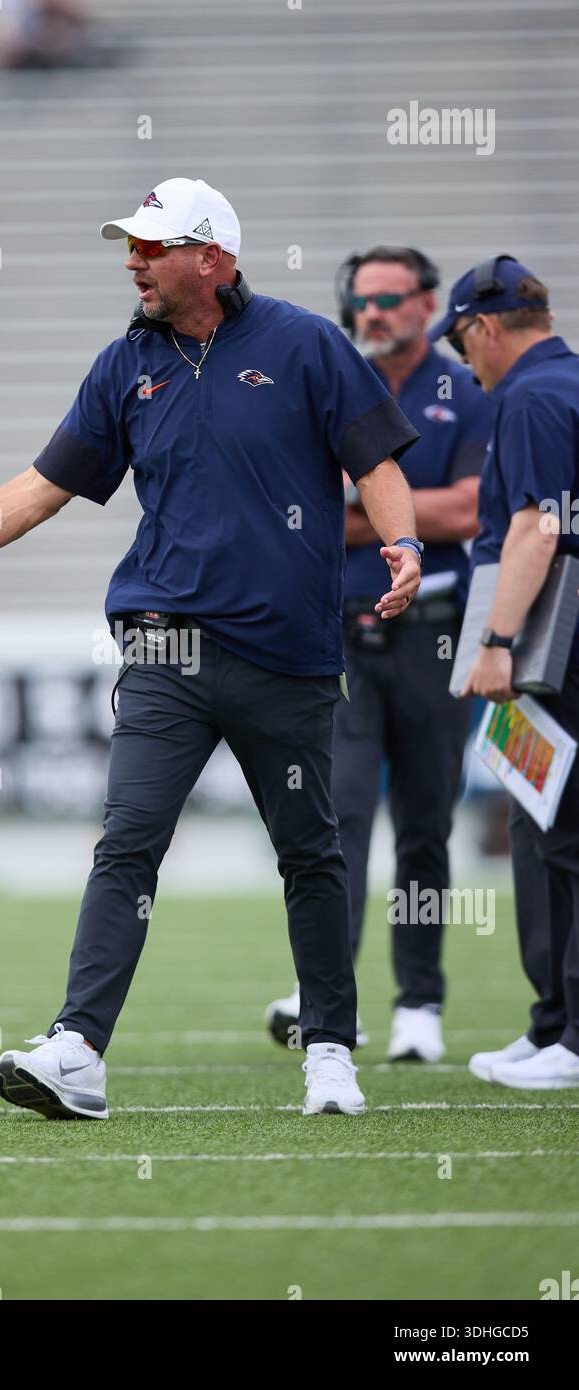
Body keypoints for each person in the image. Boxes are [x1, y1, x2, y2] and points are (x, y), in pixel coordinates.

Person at [0, 177, 422, 1117]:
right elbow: (42, 486)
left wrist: (404, 541)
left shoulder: (306, 343)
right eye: (130, 245)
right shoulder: (123, 365)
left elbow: (374, 460)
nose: (133, 259)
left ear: (212, 258)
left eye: (152, 245)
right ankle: (78, 1050)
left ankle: (330, 1051)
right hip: (165, 652)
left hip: (289, 656)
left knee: (312, 855)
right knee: (127, 846)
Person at [266, 247, 492, 1063]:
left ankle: (420, 1003)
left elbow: (469, 509)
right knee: (339, 817)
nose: (375, 313)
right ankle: (330, 997)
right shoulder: (332, 385)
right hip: (346, 631)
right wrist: (392, 514)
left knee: (426, 823)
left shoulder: (464, 390)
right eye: (363, 300)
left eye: (392, 298)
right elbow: (303, 508)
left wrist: (370, 514)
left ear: (427, 303)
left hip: (434, 630)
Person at [431, 254, 579, 1089]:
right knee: (538, 823)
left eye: (462, 344)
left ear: (485, 328)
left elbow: (537, 529)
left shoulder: (528, 397)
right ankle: (553, 1020)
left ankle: (574, 1035)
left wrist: (494, 641)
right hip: (555, 625)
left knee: (564, 834)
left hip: (555, 636)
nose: (466, 365)